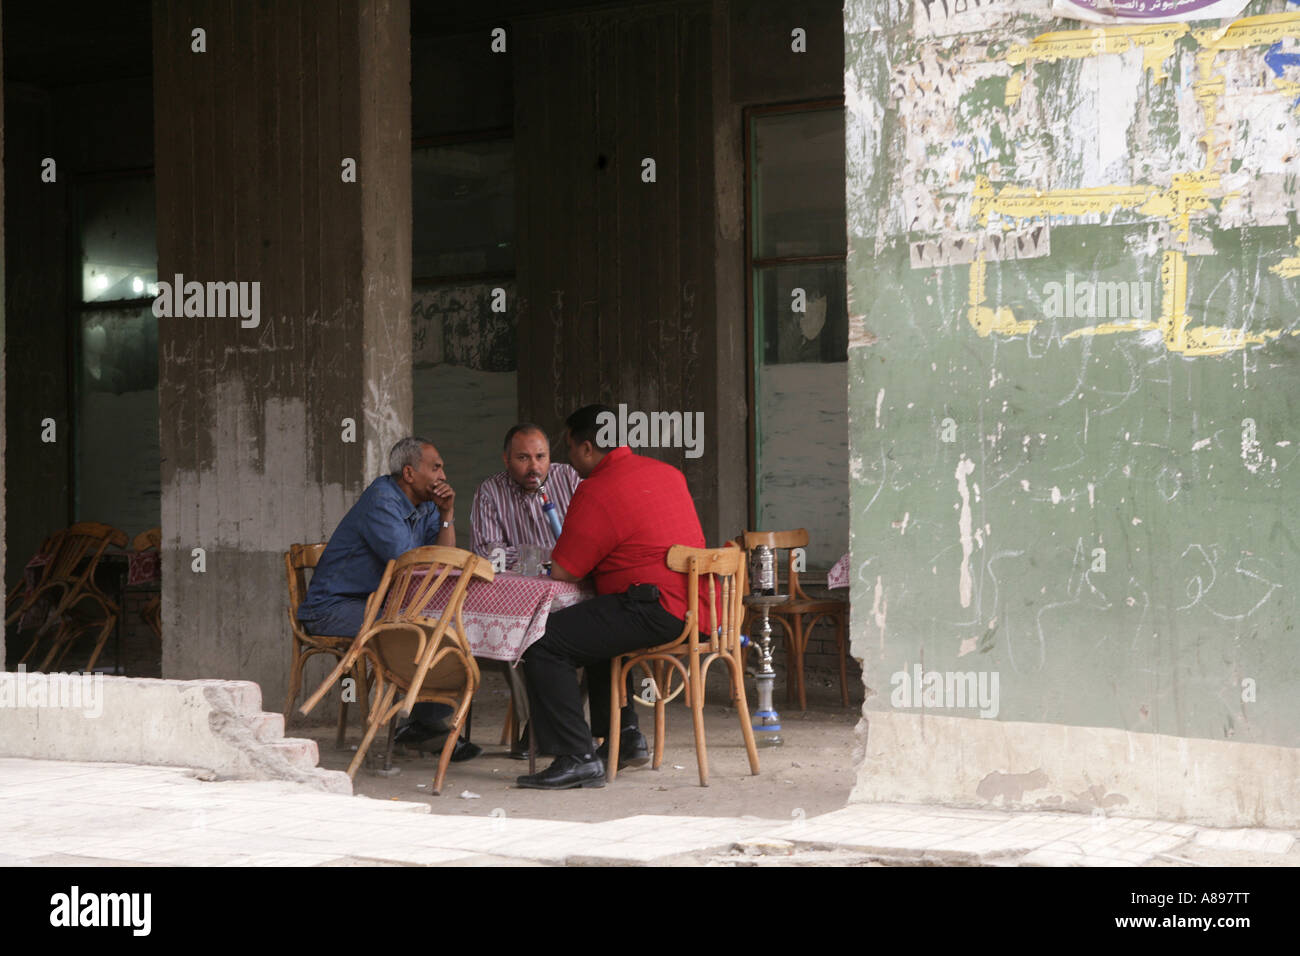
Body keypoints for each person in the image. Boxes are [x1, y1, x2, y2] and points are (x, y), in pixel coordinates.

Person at [516, 404, 706, 790]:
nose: (569, 459)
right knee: (593, 628)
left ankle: (576, 755)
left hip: (654, 608)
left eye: (569, 449)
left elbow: (567, 569)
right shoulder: (668, 473)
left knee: (541, 639)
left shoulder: (598, 487)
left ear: (587, 448)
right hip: (698, 607)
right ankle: (626, 736)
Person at [297, 436, 479, 760]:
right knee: (416, 632)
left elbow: (445, 558)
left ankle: (423, 728)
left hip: (374, 605)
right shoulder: (382, 500)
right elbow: (409, 566)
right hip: (333, 608)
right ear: (409, 473)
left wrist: (447, 513)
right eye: (435, 467)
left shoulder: (426, 505)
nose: (442, 475)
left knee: (437, 627)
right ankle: (416, 727)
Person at [470, 423, 581, 567]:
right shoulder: (490, 491)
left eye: (540, 456)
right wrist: (542, 555)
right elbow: (485, 552)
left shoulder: (569, 477)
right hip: (523, 584)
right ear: (506, 459)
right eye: (523, 458)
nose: (534, 467)